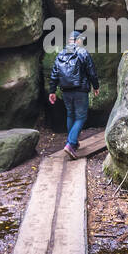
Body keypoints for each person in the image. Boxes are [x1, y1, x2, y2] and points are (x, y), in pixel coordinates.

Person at [48, 30, 100, 159]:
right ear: (77, 40)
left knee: (71, 114)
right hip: (80, 90)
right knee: (81, 117)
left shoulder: (60, 54)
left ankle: (73, 143)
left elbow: (54, 74)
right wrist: (96, 86)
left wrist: (52, 91)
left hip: (65, 91)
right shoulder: (82, 52)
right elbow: (91, 71)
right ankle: (70, 144)